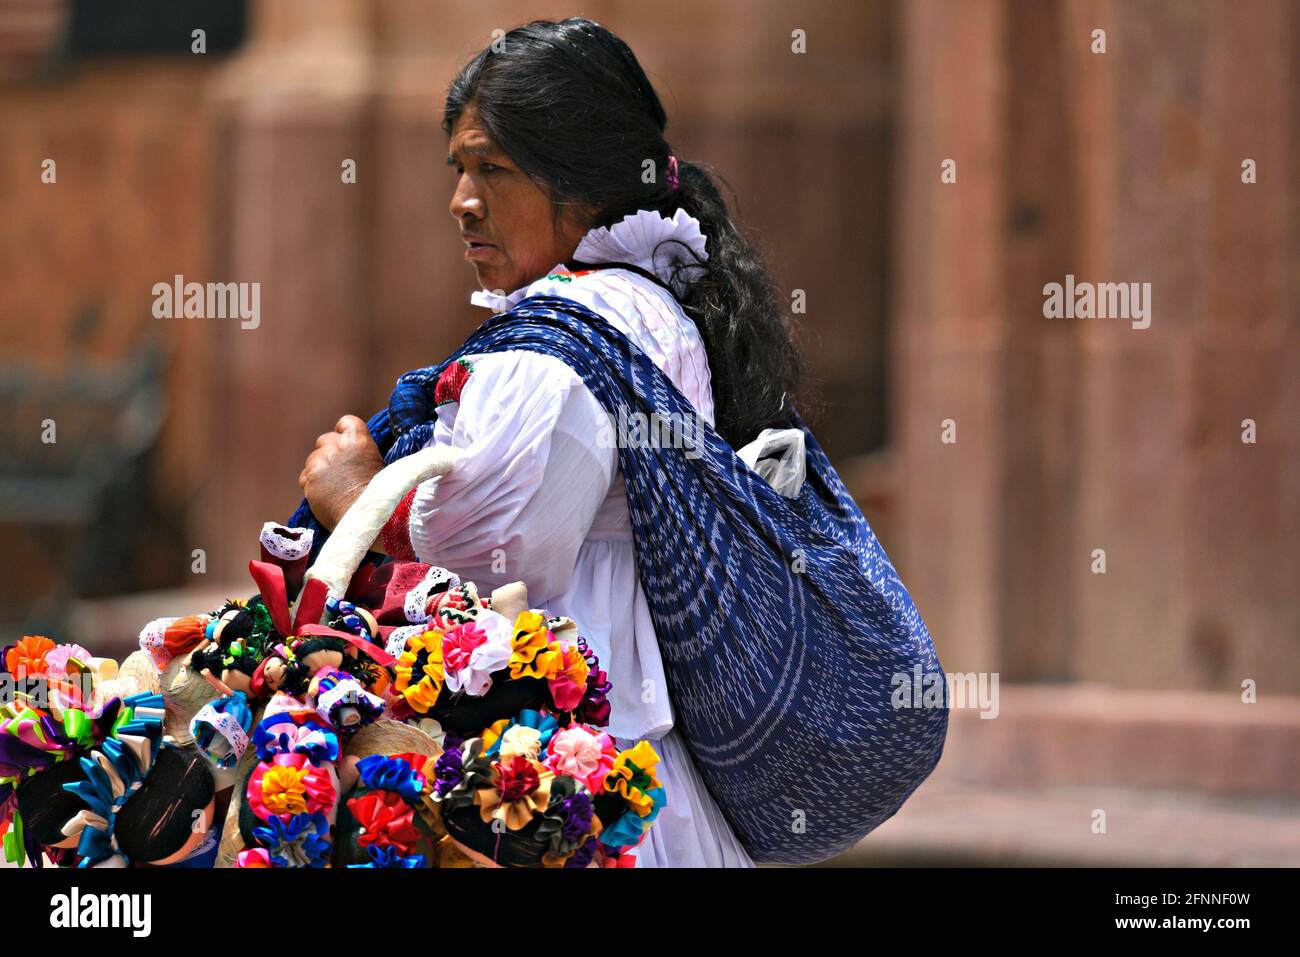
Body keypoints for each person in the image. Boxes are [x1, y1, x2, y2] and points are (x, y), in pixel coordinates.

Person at [298, 19, 810, 867]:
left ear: (579, 178)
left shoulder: (551, 353)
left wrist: (357, 500)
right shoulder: (652, 305)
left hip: (550, 771)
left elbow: (497, 566)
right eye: (458, 168)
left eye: (492, 168)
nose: (462, 200)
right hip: (637, 756)